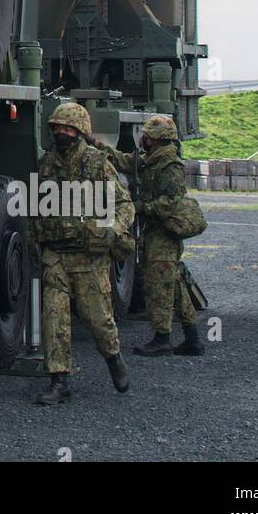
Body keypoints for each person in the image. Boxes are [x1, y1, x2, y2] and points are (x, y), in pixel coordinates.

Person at [29, 102, 131, 405]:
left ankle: (114, 359)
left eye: (68, 128)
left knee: (98, 319)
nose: (62, 133)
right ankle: (58, 381)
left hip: (89, 258)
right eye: (57, 127)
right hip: (56, 256)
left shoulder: (97, 163)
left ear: (80, 131)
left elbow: (124, 205)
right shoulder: (46, 164)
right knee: (54, 317)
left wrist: (111, 230)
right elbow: (35, 206)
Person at [100, 114, 204, 357]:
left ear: (155, 139)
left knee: (159, 286)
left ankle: (162, 338)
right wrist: (99, 146)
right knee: (175, 284)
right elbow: (125, 162)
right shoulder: (150, 159)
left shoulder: (170, 166)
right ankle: (192, 339)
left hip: (164, 233)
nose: (142, 140)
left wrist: (141, 207)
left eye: (146, 136)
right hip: (155, 231)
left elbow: (171, 202)